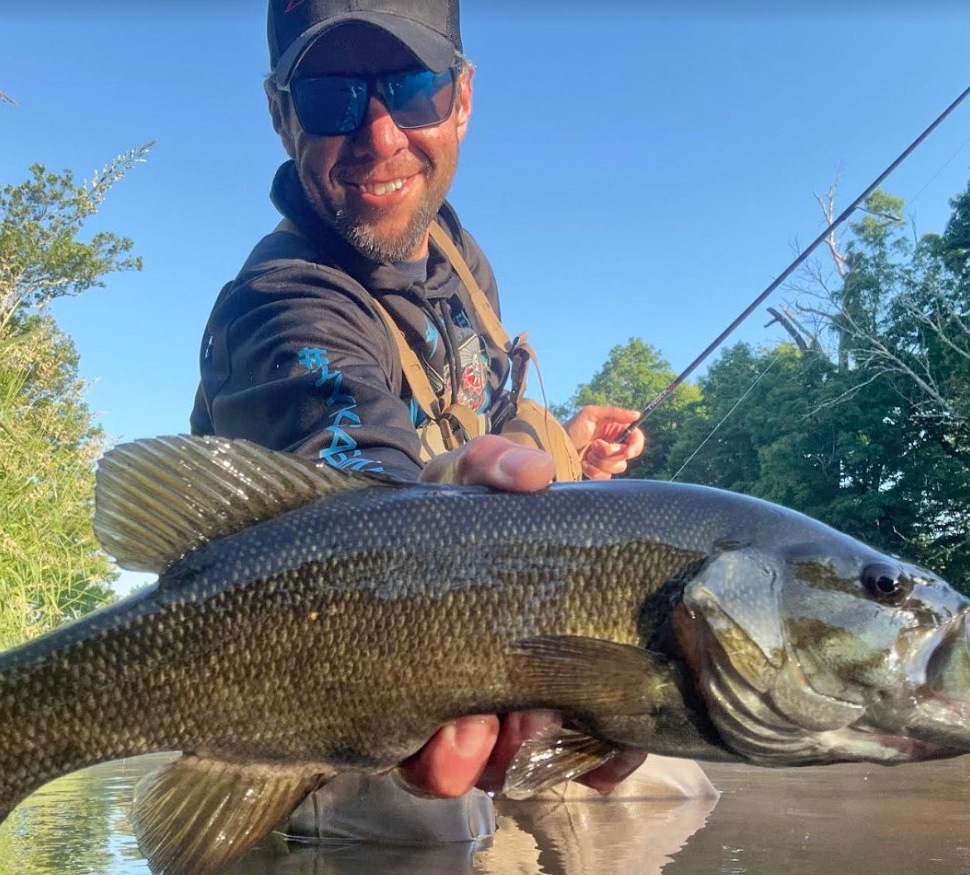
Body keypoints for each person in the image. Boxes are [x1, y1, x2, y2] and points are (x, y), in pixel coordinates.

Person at [192, 0, 700, 825]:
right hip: (305, 730)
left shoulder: (457, 262)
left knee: (675, 778)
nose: (381, 137)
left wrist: (562, 453)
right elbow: (353, 483)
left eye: (413, 88)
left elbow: (478, 429)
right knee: (443, 819)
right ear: (281, 116)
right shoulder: (282, 310)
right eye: (332, 96)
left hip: (468, 673)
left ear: (462, 99)